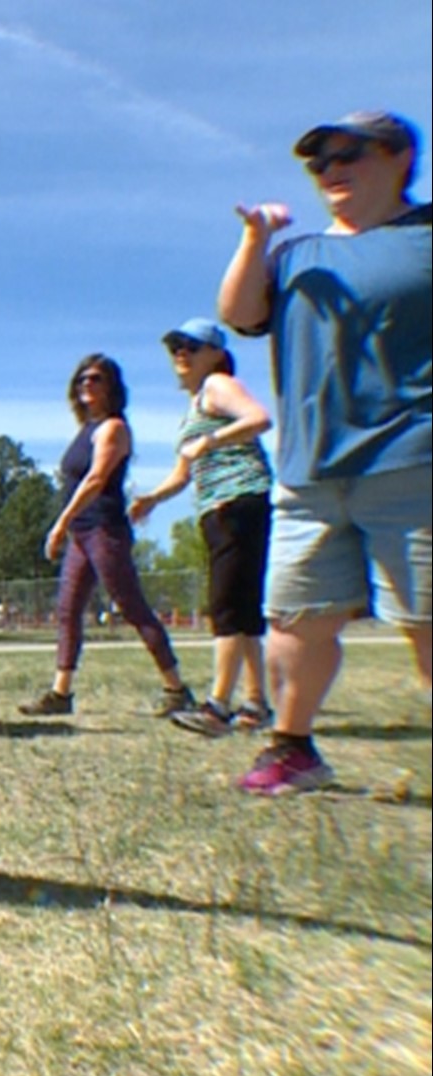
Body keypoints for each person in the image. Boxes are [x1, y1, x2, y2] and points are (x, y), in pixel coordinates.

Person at [218, 110, 430, 796]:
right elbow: (240, 314)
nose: (331, 170)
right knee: (296, 624)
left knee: (427, 622)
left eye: (348, 153)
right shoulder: (296, 254)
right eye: (318, 162)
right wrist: (256, 240)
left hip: (412, 458)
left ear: (400, 156)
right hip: (309, 470)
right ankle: (293, 748)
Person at [19, 355, 194, 717]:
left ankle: (177, 689)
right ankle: (61, 693)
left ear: (111, 386)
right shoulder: (87, 429)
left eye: (96, 378)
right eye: (82, 378)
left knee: (132, 607)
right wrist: (70, 526)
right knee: (68, 610)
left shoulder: (113, 428)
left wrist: (61, 522)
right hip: (82, 534)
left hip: (104, 529)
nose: (87, 384)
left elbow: (97, 479)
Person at [129, 317, 275, 737]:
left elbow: (259, 418)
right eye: (175, 345)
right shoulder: (194, 406)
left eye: (191, 345)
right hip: (219, 509)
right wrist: (152, 500)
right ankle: (256, 703)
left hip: (239, 502)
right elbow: (182, 474)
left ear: (215, 353)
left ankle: (217, 707)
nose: (181, 352)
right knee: (243, 610)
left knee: (226, 605)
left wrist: (210, 442)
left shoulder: (218, 385)